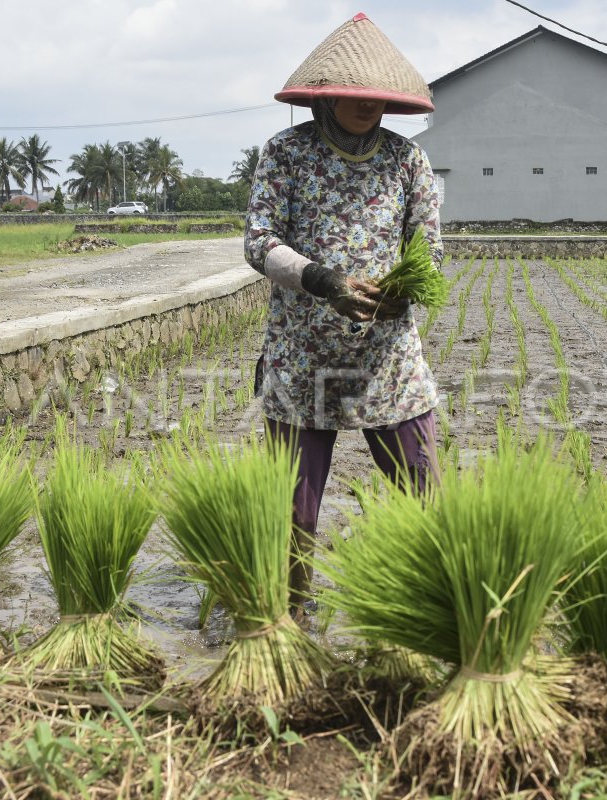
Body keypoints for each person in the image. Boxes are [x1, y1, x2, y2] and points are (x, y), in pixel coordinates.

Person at [244, 12, 443, 609]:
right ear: (327, 94)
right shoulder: (287, 154)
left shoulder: (408, 162)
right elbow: (259, 242)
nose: (365, 105)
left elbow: (428, 245)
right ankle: (289, 617)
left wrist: (407, 288)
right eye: (353, 93)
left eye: (376, 95)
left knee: (426, 494)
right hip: (303, 356)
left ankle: (435, 608)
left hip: (388, 358)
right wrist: (322, 279)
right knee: (292, 512)